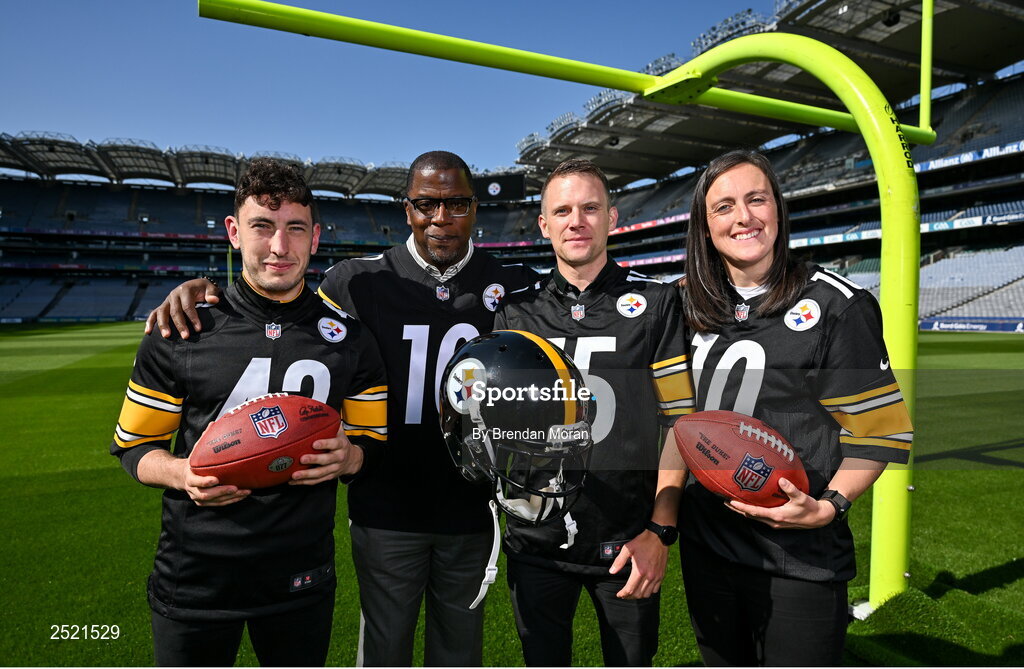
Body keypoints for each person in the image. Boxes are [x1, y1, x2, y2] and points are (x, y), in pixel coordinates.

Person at [145, 151, 536, 666]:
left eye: (457, 204)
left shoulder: (519, 284)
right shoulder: (354, 280)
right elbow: (279, 294)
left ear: (475, 208)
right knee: (382, 650)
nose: (441, 217)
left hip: (471, 506)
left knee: (460, 651)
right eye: (427, 204)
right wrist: (205, 289)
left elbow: (574, 300)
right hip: (385, 508)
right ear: (407, 209)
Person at [112, 158, 388, 666]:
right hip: (195, 575)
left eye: (295, 229)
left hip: (300, 576)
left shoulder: (351, 338)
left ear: (316, 237)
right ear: (235, 232)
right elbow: (133, 448)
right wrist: (182, 472)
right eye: (263, 226)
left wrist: (350, 459)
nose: (280, 247)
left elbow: (372, 442)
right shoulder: (182, 328)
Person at [665, 149, 913, 666]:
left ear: (777, 208)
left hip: (797, 557)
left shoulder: (837, 306)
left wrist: (829, 507)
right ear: (704, 225)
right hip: (707, 547)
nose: (743, 217)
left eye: (756, 199)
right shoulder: (684, 305)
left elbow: (881, 432)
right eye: (724, 206)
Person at [492, 158, 694, 666]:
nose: (575, 220)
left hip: (628, 540)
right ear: (544, 225)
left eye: (589, 208)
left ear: (612, 217)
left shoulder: (657, 301)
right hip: (535, 537)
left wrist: (660, 530)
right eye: (562, 210)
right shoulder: (515, 312)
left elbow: (680, 422)